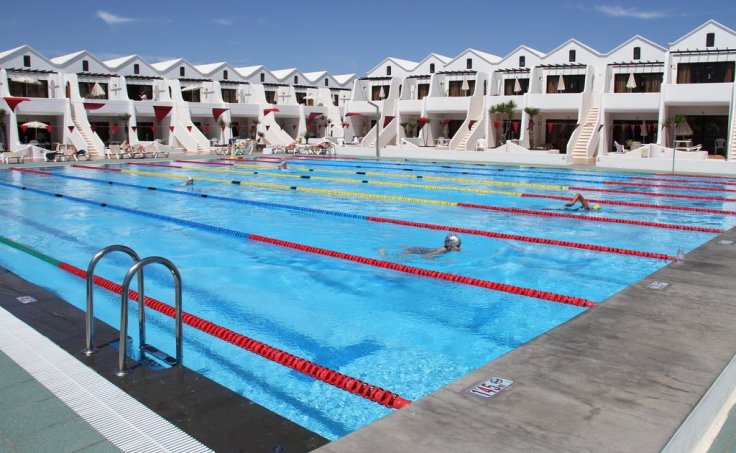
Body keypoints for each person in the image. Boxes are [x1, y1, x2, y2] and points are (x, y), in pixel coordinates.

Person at [380, 233, 462, 259]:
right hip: (415, 251)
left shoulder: (448, 248)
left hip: (419, 248)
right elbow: (425, 257)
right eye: (458, 246)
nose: (459, 248)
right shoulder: (442, 250)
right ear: (451, 246)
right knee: (397, 259)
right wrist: (437, 260)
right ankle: (383, 254)